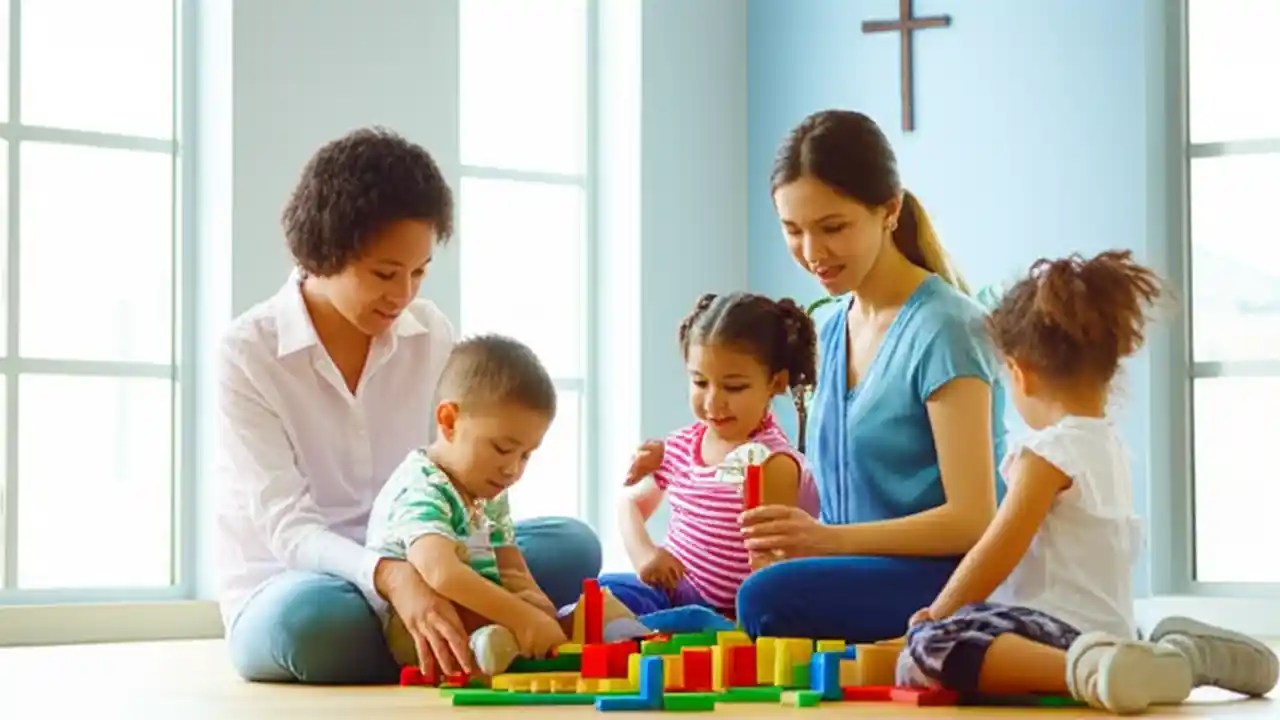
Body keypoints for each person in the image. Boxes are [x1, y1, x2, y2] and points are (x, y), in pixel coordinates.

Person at [215, 127, 601, 684]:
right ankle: (469, 636)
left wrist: (491, 570)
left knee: (573, 545)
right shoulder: (249, 352)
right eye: (384, 274)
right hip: (303, 582)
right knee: (308, 627)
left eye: (418, 272)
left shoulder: (429, 333)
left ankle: (451, 633)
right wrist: (394, 577)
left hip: (431, 552)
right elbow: (289, 530)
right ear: (325, 251)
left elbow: (457, 470)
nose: (403, 295)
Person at [898, 250, 1278, 714]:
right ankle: (1179, 655)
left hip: (1057, 634)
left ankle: (1091, 671)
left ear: (1020, 374)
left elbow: (997, 548)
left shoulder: (1044, 455)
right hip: (1111, 628)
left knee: (931, 648)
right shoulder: (1108, 447)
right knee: (979, 658)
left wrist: (933, 615)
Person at [735, 109, 1006, 641]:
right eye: (793, 231)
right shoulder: (831, 326)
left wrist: (826, 544)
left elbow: (974, 520)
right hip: (858, 568)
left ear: (889, 211)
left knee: (766, 599)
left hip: (947, 577)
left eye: (833, 228)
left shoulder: (946, 328)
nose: (813, 253)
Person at [367, 335, 642, 677]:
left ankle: (626, 643)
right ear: (450, 421)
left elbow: (508, 561)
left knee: (596, 603)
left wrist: (536, 602)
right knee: (492, 630)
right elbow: (441, 574)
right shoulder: (421, 487)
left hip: (487, 608)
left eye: (526, 455)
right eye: (501, 449)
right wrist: (521, 617)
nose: (513, 468)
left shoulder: (488, 489)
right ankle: (493, 650)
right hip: (427, 621)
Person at [603, 292, 820, 620]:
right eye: (700, 382)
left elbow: (772, 568)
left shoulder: (773, 463)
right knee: (605, 590)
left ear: (775, 383)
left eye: (734, 387)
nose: (713, 403)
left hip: (722, 617)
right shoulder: (680, 446)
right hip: (669, 592)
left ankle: (627, 633)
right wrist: (648, 555)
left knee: (678, 620)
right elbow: (628, 504)